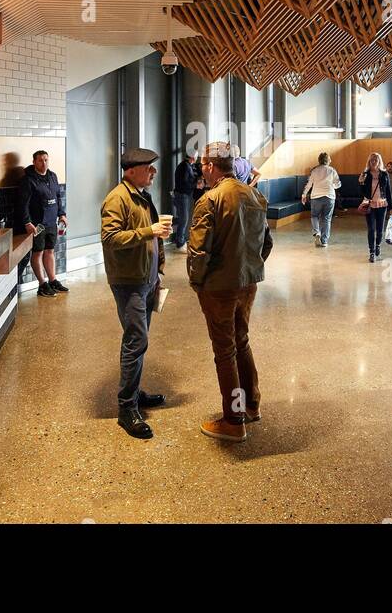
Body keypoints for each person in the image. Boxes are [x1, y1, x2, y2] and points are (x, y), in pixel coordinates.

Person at [188, 141, 274, 443]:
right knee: (242, 341)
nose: (202, 170)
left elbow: (199, 252)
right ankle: (251, 405)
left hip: (220, 288)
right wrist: (251, 267)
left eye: (203, 165)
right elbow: (267, 243)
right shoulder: (254, 194)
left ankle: (234, 419)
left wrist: (197, 283)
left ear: (212, 166)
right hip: (248, 284)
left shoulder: (209, 200)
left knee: (224, 351)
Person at [99, 148, 172, 439]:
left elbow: (152, 236)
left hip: (146, 278)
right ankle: (126, 408)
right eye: (148, 168)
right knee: (136, 339)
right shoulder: (117, 198)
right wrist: (148, 230)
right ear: (130, 171)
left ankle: (135, 391)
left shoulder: (141, 194)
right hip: (128, 281)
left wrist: (159, 268)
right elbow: (110, 237)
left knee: (138, 341)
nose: (153, 172)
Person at [19, 150, 67, 297]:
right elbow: (23, 204)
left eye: (46, 160)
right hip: (37, 224)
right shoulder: (28, 180)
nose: (44, 163)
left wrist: (62, 214)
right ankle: (42, 284)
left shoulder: (52, 176)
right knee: (38, 252)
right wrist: (27, 222)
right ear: (34, 162)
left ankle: (52, 281)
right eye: (40, 160)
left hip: (51, 221)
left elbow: (58, 197)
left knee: (50, 250)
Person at [358, 152, 392, 262]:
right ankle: (372, 252)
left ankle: (378, 245)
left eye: (375, 160)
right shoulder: (365, 174)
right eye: (371, 160)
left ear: (379, 161)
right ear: (369, 162)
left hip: (382, 205)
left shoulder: (384, 174)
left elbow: (388, 192)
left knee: (379, 230)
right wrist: (361, 183)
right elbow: (362, 192)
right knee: (371, 229)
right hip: (370, 205)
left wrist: (391, 208)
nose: (373, 162)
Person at [301, 152, 341, 247]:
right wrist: (332, 186)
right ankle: (324, 241)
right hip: (329, 197)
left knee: (314, 216)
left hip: (316, 197)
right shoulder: (332, 170)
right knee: (326, 219)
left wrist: (304, 195)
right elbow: (338, 183)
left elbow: (309, 184)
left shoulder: (314, 171)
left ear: (319, 160)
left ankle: (316, 232)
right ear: (328, 160)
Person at [171, 152, 199, 248]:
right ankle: (180, 242)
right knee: (184, 219)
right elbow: (185, 183)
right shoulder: (185, 167)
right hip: (182, 195)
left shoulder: (186, 165)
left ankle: (179, 239)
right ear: (192, 157)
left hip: (181, 195)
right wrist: (197, 185)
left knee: (183, 218)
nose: (197, 158)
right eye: (196, 156)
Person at [0, 152, 27, 230]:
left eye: (6, 161)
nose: (4, 164)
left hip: (16, 218)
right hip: (22, 217)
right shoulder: (25, 173)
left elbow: (3, 201)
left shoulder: (10, 177)